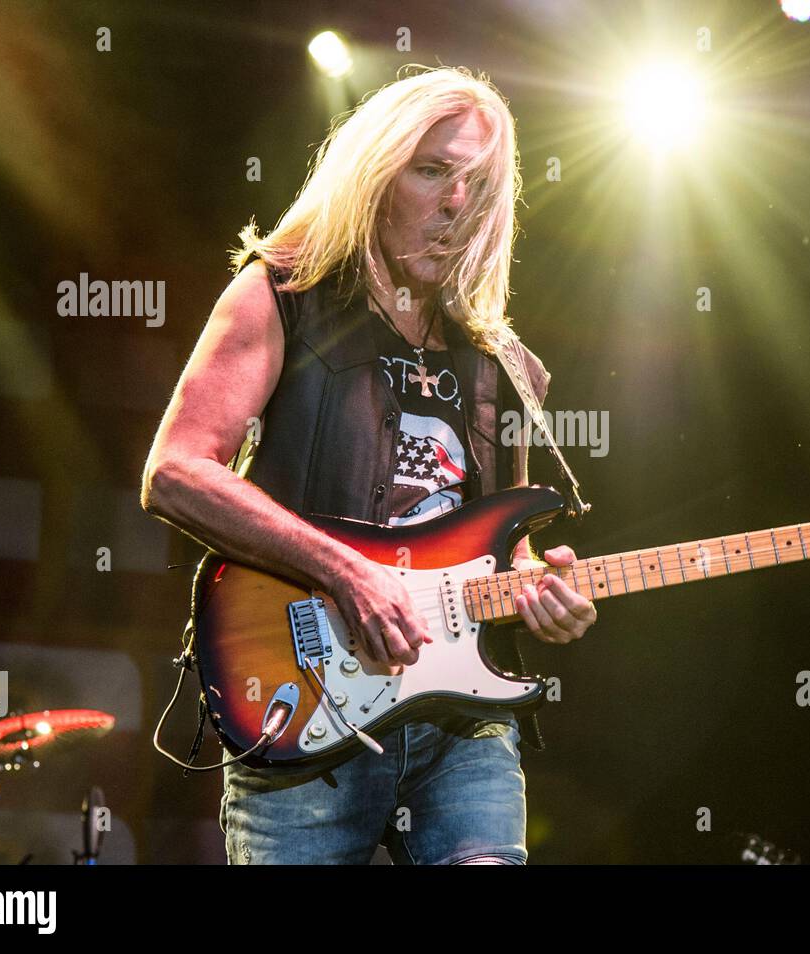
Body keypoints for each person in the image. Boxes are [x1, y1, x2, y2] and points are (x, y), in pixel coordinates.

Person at [140, 66, 596, 864]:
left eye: (477, 182)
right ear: (376, 172)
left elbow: (499, 538)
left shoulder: (505, 363)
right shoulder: (282, 292)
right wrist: (346, 572)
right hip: (306, 701)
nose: (457, 202)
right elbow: (175, 471)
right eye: (432, 170)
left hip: (464, 720)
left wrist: (541, 590)